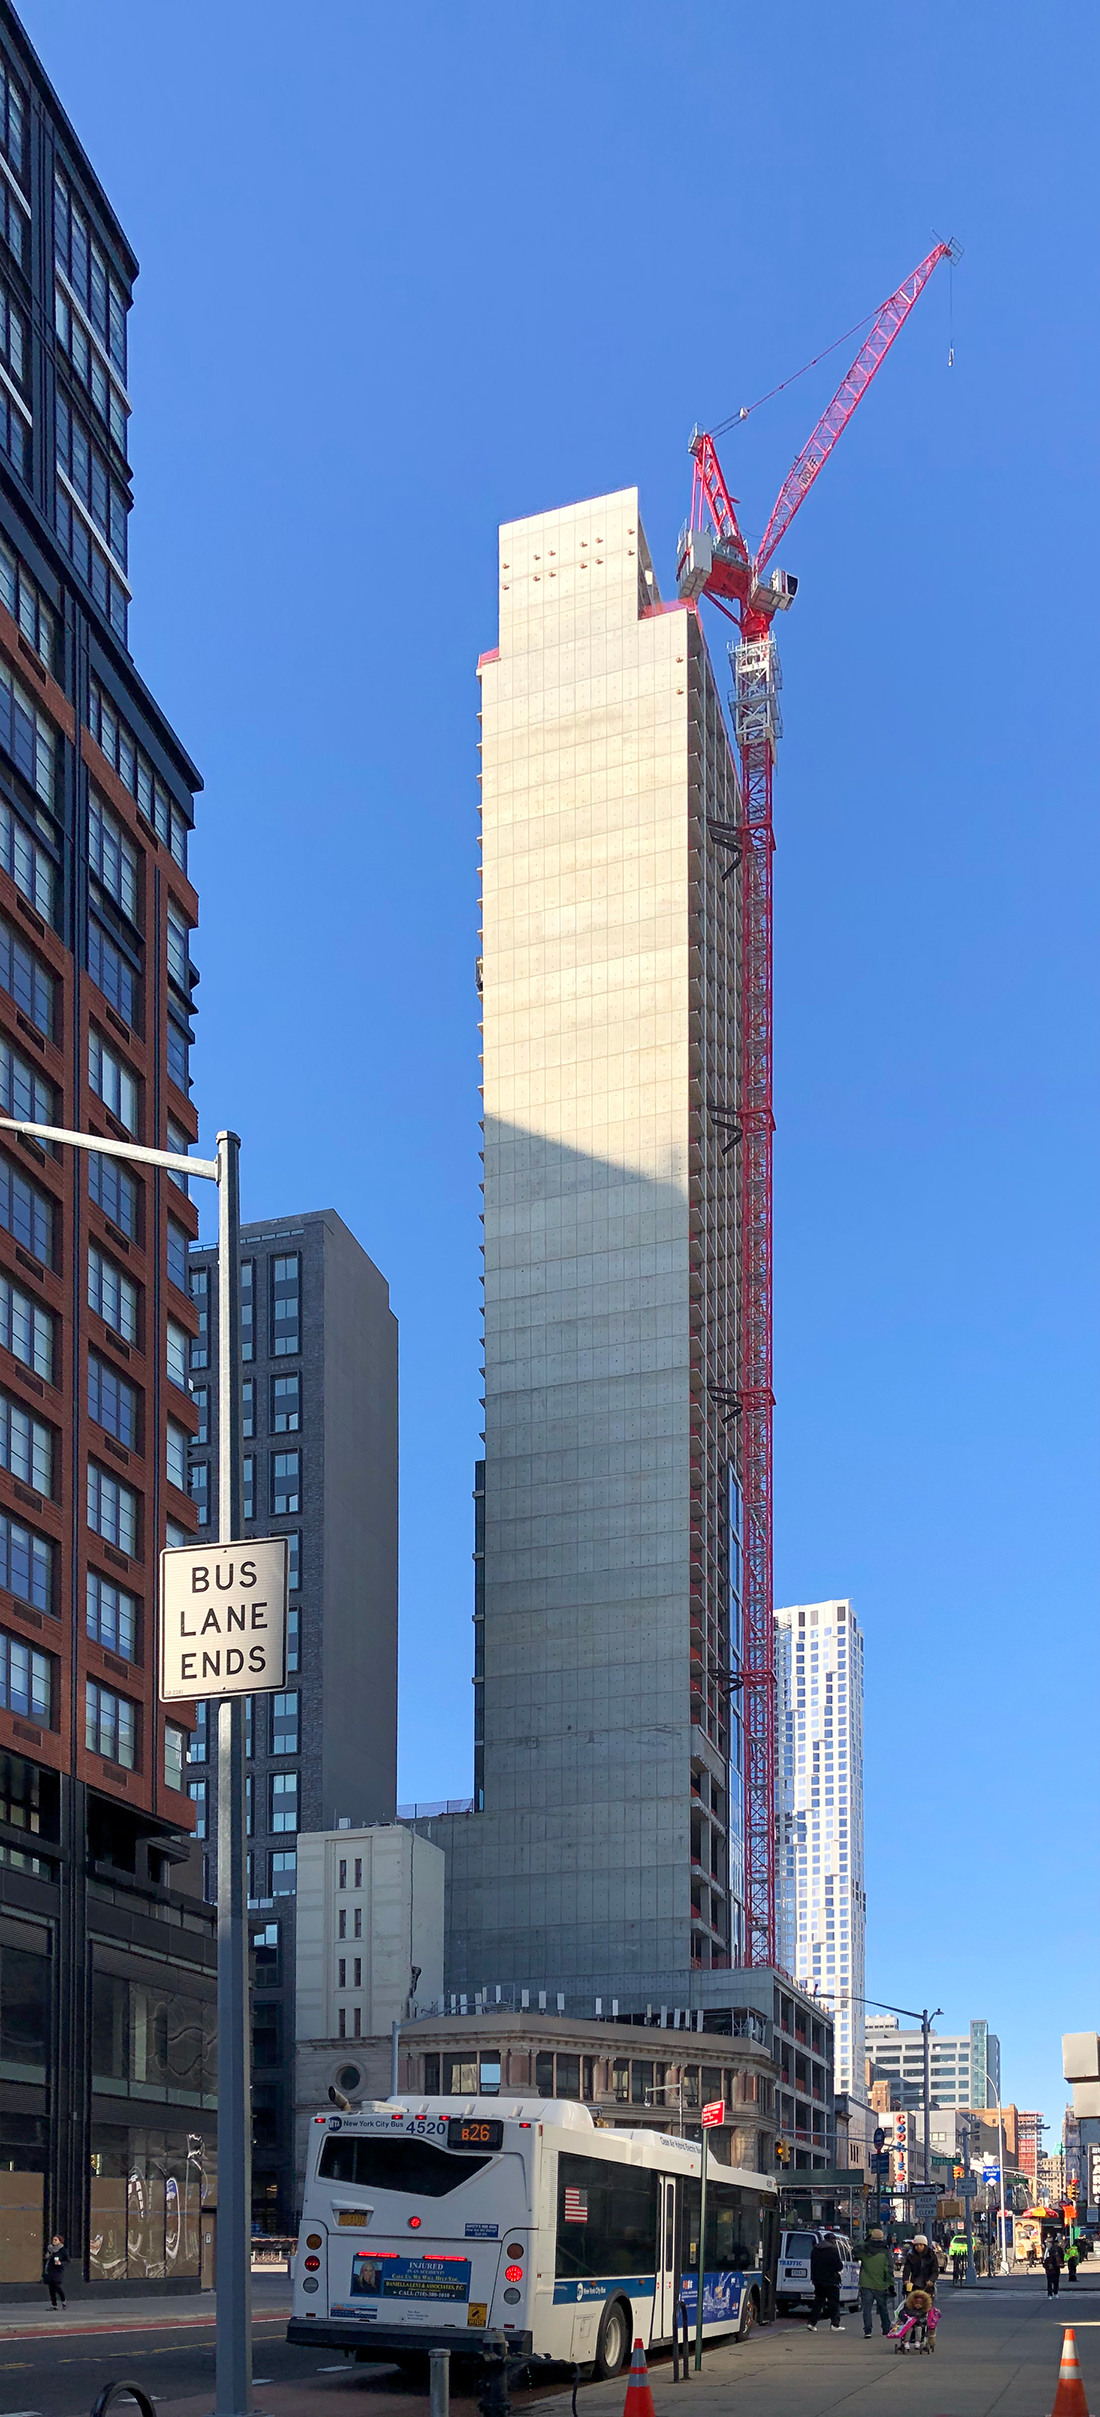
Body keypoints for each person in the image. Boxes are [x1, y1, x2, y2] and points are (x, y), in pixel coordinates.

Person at [807, 2229, 845, 2333]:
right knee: (834, 2303)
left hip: (818, 2280)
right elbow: (838, 2266)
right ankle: (835, 2324)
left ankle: (812, 2323)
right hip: (831, 2281)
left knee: (818, 2302)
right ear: (832, 2240)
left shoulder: (815, 2250)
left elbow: (813, 2266)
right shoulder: (833, 2250)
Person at [858, 2227, 894, 2336]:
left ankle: (868, 2330)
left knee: (867, 2309)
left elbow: (855, 2249)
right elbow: (888, 2270)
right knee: (883, 2308)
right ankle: (886, 2328)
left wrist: (864, 2240)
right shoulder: (885, 2252)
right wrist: (890, 2284)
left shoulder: (864, 2251)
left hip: (866, 2283)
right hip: (880, 2284)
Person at [902, 2234, 939, 2299]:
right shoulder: (911, 2255)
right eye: (916, 2245)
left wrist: (931, 2280)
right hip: (914, 2284)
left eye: (921, 2245)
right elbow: (907, 2269)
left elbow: (935, 2271)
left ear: (925, 2245)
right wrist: (906, 2280)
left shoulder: (931, 2255)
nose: (918, 2247)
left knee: (927, 2305)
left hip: (927, 2285)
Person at [42, 2236, 67, 2309]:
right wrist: (46, 2257)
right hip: (50, 2270)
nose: (54, 2241)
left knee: (57, 2286)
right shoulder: (50, 2249)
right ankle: (54, 2304)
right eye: (53, 2239)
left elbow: (68, 2261)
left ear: (60, 2241)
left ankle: (63, 2300)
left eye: (56, 2240)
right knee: (51, 2288)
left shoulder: (62, 2250)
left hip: (58, 2271)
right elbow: (46, 2259)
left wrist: (61, 2263)